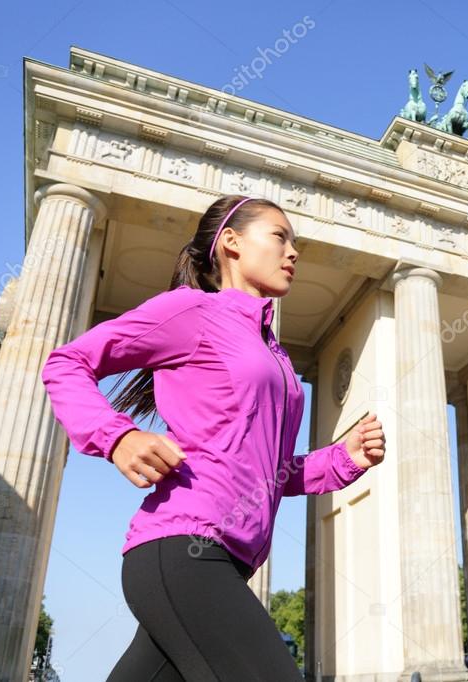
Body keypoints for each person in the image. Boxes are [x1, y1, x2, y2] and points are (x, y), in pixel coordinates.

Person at [40, 194, 386, 680]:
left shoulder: (277, 355)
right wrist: (117, 437)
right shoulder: (191, 312)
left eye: (295, 243)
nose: (293, 252)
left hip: (226, 560)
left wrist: (341, 458)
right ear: (231, 242)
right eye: (280, 237)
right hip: (182, 547)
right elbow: (66, 363)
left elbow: (268, 472)